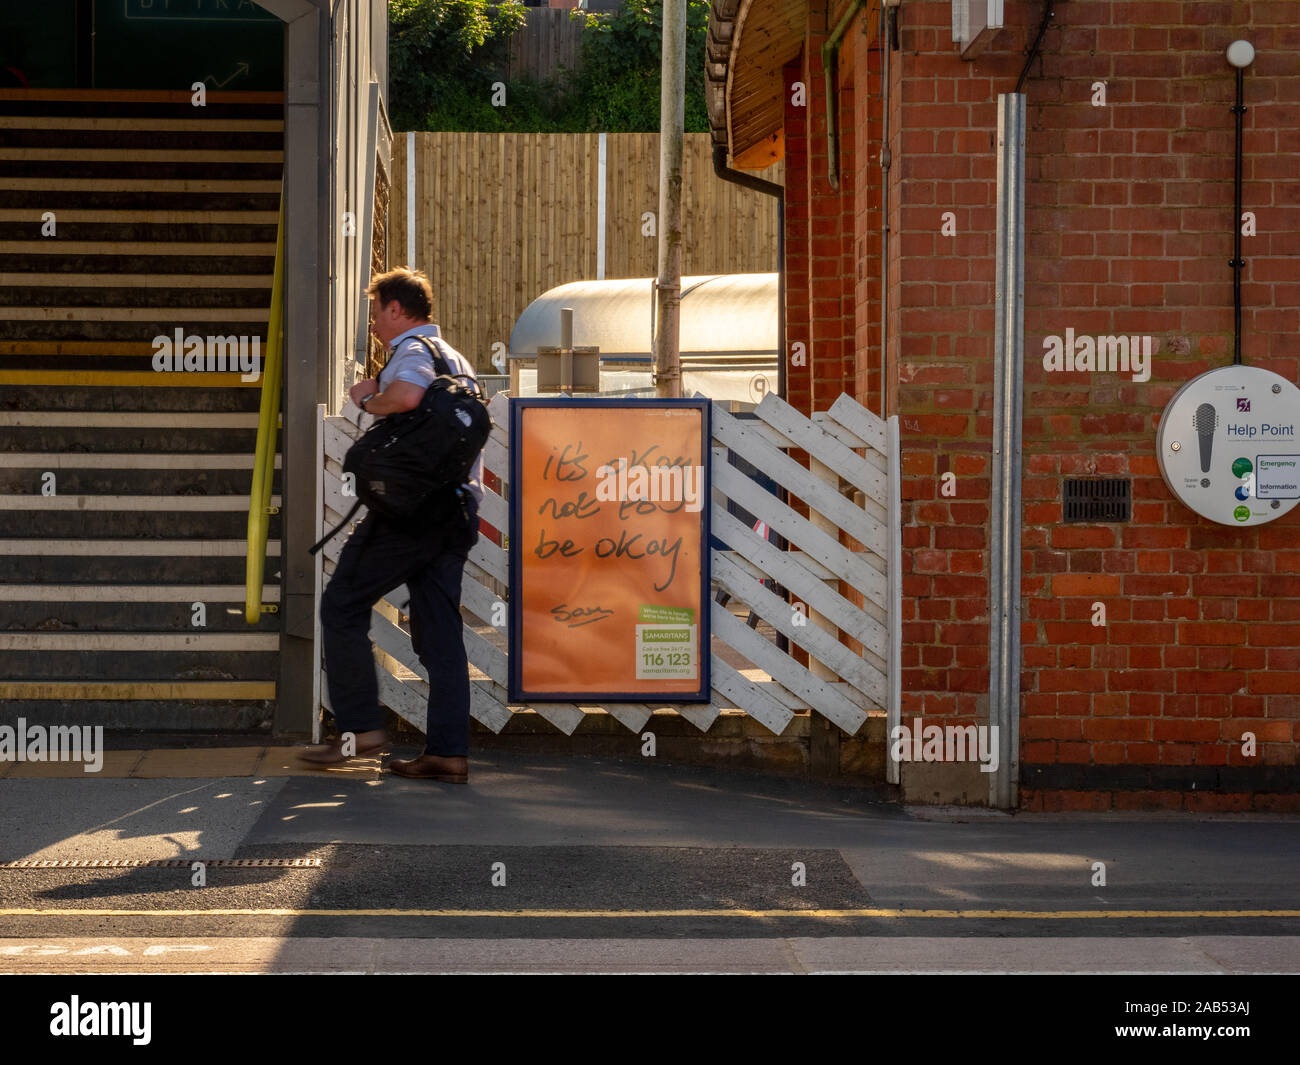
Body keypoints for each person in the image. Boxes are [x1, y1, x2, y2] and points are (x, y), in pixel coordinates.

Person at [300, 268, 483, 783]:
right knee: (442, 635)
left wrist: (365, 397)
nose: (375, 323)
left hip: (411, 512)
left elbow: (404, 398)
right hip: (458, 510)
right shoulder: (459, 361)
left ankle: (360, 730)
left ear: (398, 310)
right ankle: (448, 753)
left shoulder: (412, 350)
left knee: (342, 605)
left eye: (377, 311)